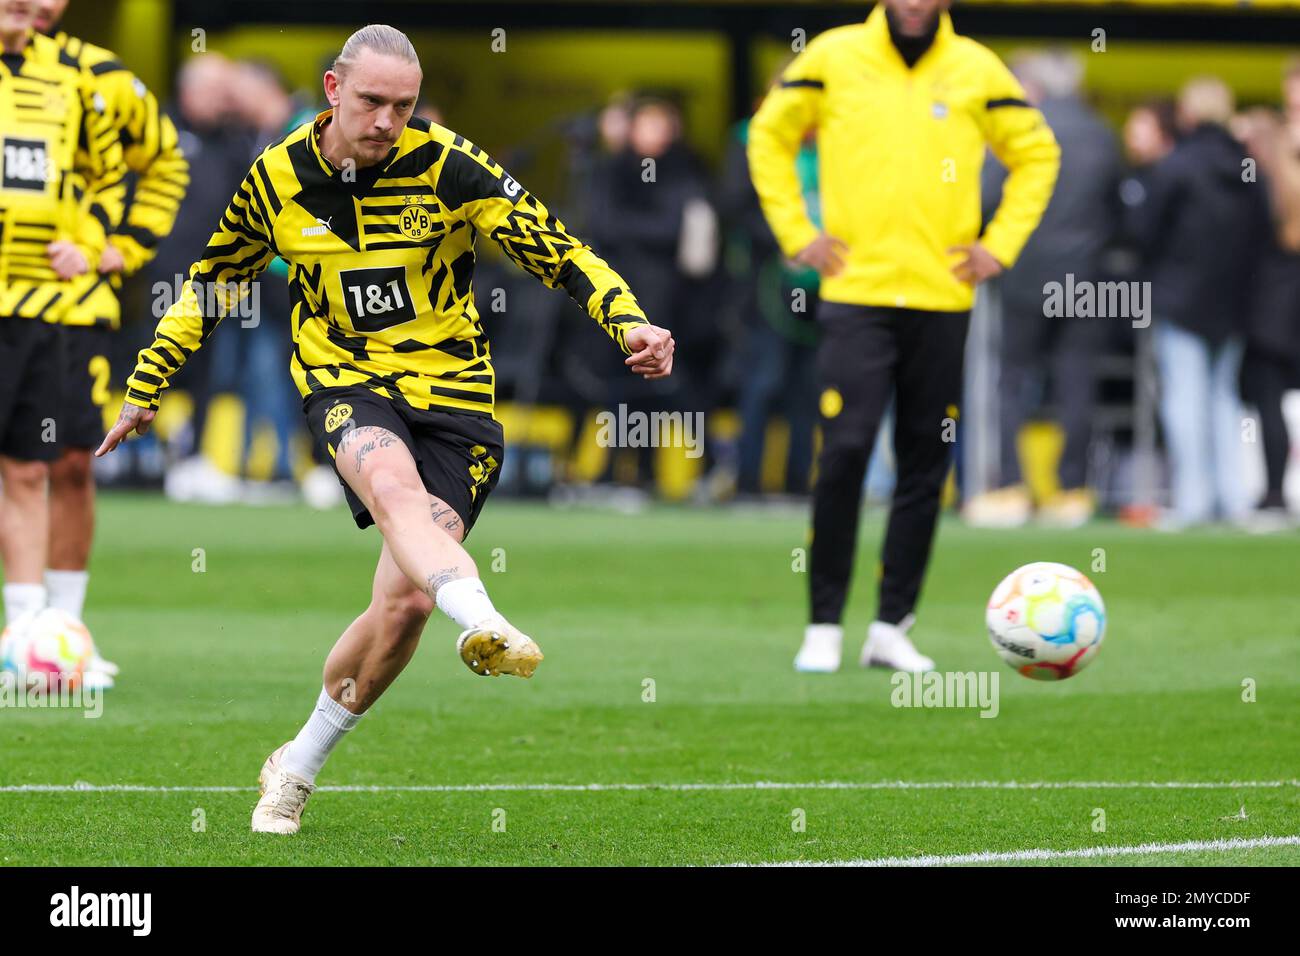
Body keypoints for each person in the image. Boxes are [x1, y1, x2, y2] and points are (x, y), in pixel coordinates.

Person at [97, 24, 674, 835]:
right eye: (372, 101)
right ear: (334, 91)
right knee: (391, 482)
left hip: (454, 396)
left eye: (403, 105)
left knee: (402, 608)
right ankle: (483, 618)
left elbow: (557, 249)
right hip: (345, 381)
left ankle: (295, 763)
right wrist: (148, 382)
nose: (387, 120)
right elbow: (211, 281)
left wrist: (630, 323)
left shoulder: (450, 164)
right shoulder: (276, 177)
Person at [748, 0, 1059, 673]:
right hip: (857, 293)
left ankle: (891, 625)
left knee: (925, 462)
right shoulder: (832, 56)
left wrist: (998, 245)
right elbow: (767, 135)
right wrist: (798, 234)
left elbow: (1039, 153)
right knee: (847, 448)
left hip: (941, 294)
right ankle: (823, 624)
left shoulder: (976, 68)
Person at [33, 0, 190, 687]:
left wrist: (118, 250)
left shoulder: (103, 79)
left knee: (68, 462)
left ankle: (63, 637)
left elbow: (165, 163)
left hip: (71, 310)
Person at [0, 0, 126, 631]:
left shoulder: (73, 79)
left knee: (30, 465)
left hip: (37, 308)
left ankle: (29, 634)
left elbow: (112, 175)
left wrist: (96, 241)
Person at [964, 49, 1122, 529]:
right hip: (1085, 276)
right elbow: (1118, 206)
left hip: (1025, 271)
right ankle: (1070, 491)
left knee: (1010, 380)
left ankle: (1010, 486)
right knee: (1076, 380)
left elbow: (985, 197)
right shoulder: (1101, 132)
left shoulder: (1022, 130)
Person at [1127, 77, 1267, 528]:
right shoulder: (1247, 166)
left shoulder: (1176, 166)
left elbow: (1143, 232)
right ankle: (1234, 499)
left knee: (1185, 400)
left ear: (1188, 114)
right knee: (1225, 399)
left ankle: (1193, 500)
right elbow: (1261, 232)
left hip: (1180, 298)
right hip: (1234, 301)